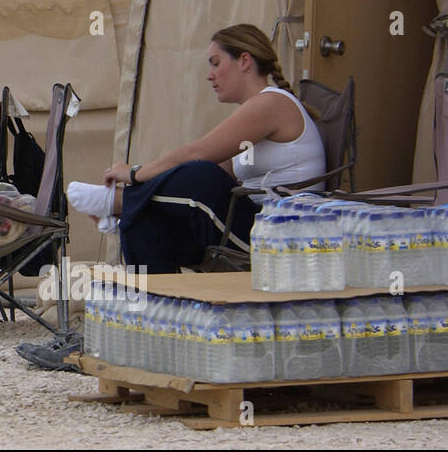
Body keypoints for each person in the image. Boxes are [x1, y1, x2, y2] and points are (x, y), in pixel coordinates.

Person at [67, 23, 326, 273]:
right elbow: (206, 167)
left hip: (280, 229)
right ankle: (158, 310)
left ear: (244, 61)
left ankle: (119, 201)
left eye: (216, 63)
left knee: (200, 175)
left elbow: (197, 154)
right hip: (253, 223)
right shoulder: (257, 112)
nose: (209, 74)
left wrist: (134, 174)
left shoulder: (271, 104)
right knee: (142, 222)